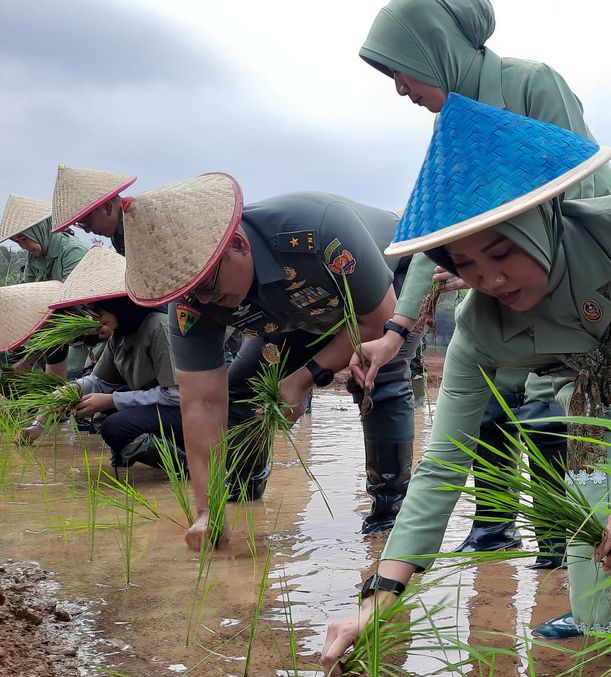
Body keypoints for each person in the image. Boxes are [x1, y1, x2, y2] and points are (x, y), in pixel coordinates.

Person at [321, 95, 611, 676]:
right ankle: (606, 624)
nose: (490, 278)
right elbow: (445, 462)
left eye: (502, 251)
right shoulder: (480, 328)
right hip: (607, 404)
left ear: (542, 216)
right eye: (466, 265)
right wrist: (377, 600)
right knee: (592, 516)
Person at [355, 0, 611, 564]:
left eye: (401, 69)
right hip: (514, 286)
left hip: (594, 279)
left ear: (434, 48)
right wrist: (396, 330)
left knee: (562, 411)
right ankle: (499, 528)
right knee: (488, 408)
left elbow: (574, 190)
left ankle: (566, 548)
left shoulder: (532, 85)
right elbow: (443, 239)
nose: (400, 89)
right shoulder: (451, 130)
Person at [121, 174, 418, 548]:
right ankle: (243, 489)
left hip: (388, 286)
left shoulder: (319, 228)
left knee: (375, 376)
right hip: (296, 312)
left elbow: (376, 323)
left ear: (240, 245)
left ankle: (388, 516)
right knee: (242, 386)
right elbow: (201, 401)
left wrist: (303, 379)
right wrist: (206, 511)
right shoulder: (193, 301)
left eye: (210, 290)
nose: (206, 304)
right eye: (195, 298)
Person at [17, 246, 183, 468]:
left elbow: (176, 395)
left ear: (116, 304)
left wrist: (113, 400)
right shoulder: (120, 334)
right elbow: (99, 381)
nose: (94, 319)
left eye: (98, 311)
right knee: (103, 418)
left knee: (115, 426)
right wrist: (52, 408)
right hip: (161, 408)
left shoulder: (157, 327)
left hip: (186, 412)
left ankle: (185, 460)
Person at [0, 194, 90, 377]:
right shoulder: (35, 258)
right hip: (47, 328)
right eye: (18, 242)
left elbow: (71, 307)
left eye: (25, 239)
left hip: (81, 328)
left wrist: (29, 359)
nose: (24, 246)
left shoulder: (72, 251)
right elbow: (28, 297)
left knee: (62, 383)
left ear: (40, 230)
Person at [51, 165, 137, 255]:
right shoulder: (117, 234)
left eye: (87, 222)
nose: (87, 231)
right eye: (81, 225)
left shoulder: (140, 225)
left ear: (108, 207)